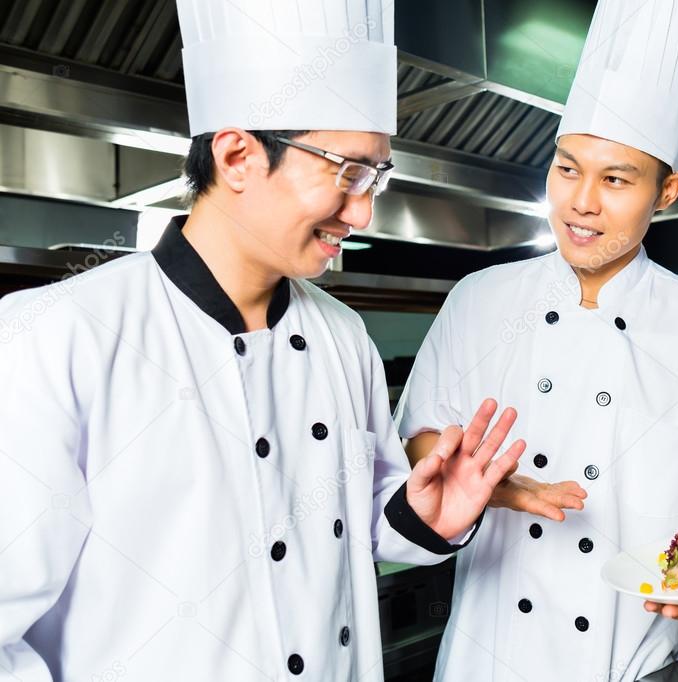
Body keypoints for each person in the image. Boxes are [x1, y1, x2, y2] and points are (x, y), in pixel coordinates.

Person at [0, 2, 522, 679]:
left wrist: (428, 516)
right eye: (347, 171)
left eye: (375, 178)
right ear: (238, 155)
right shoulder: (54, 335)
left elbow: (354, 530)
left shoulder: (342, 336)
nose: (362, 211)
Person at [394, 1, 678, 679]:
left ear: (666, 192)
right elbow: (421, 440)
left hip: (628, 657)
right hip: (484, 656)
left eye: (615, 180)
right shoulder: (479, 299)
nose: (581, 201)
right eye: (565, 169)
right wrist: (494, 484)